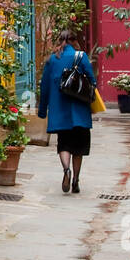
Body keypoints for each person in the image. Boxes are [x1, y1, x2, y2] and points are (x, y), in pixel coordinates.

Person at [37, 30, 97, 194]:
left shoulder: (52, 60)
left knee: (64, 144)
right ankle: (76, 180)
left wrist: (43, 110)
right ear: (74, 41)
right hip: (80, 111)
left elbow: (45, 87)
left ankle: (66, 170)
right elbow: (92, 81)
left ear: (59, 41)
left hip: (60, 112)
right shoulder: (81, 56)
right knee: (79, 148)